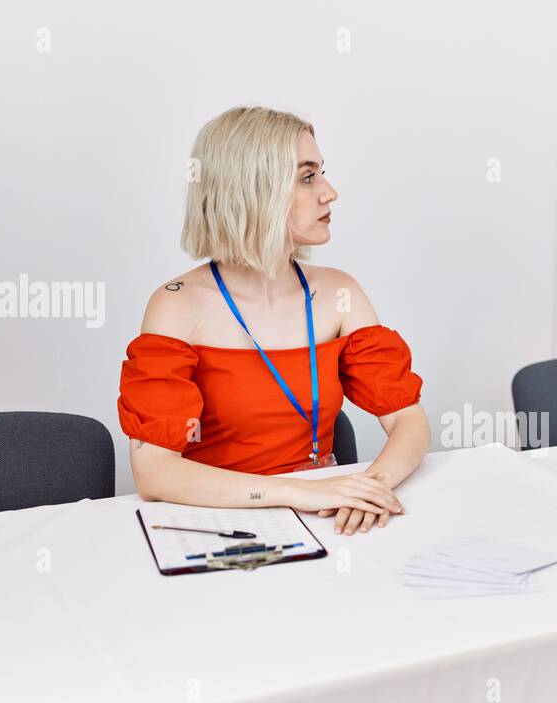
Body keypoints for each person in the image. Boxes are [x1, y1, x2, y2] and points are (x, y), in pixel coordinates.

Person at [117, 106, 430, 534]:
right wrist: (296, 493)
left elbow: (408, 419)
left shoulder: (340, 292)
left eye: (322, 173)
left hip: (325, 518)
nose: (330, 192)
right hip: (222, 521)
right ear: (251, 190)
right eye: (307, 177)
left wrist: (369, 488)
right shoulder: (176, 305)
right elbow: (154, 474)